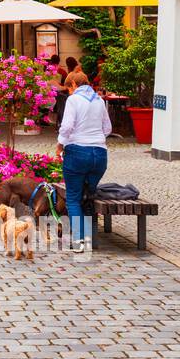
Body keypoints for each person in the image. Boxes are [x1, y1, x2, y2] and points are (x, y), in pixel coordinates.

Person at [56, 69, 112, 253]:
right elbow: (107, 128)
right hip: (100, 155)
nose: (69, 92)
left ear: (73, 84)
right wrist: (96, 139)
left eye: (69, 88)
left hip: (78, 152)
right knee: (88, 196)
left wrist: (60, 145)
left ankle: (79, 241)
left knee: (73, 198)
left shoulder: (73, 100)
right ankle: (89, 238)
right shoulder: (99, 100)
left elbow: (66, 126)